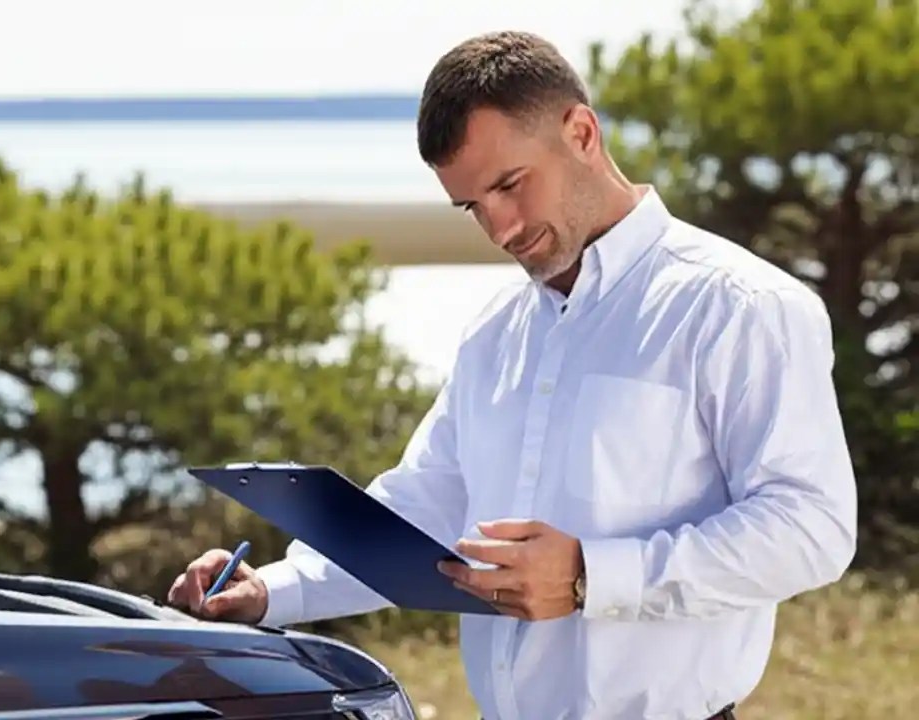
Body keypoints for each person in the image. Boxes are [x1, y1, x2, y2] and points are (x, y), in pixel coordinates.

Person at [166, 29, 857, 720]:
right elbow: (424, 509)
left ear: (581, 132)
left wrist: (591, 575)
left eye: (509, 185)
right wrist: (271, 591)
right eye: (472, 206)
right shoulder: (495, 334)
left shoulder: (740, 307)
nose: (499, 229)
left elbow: (812, 527)